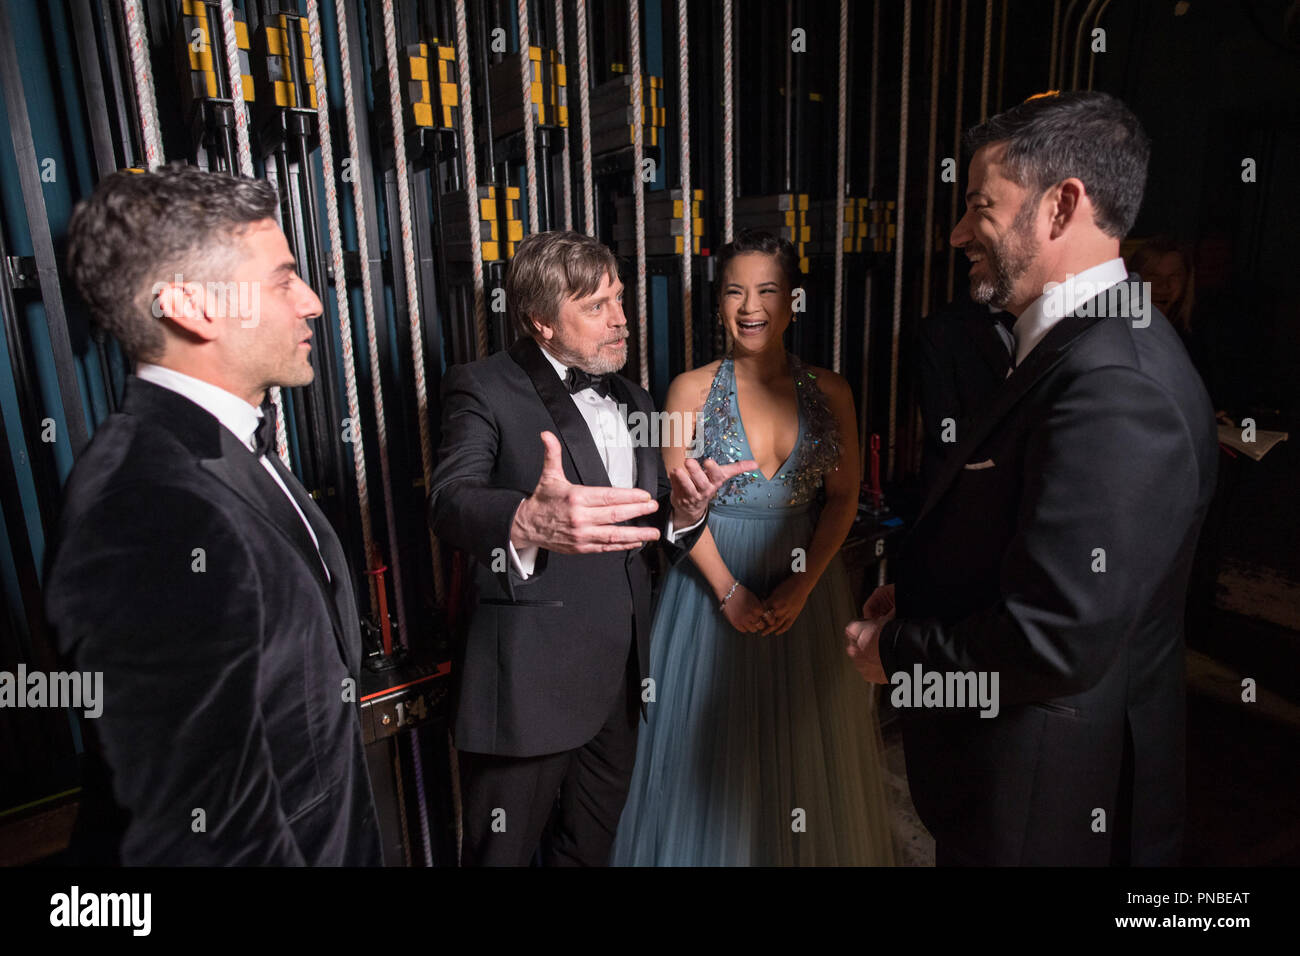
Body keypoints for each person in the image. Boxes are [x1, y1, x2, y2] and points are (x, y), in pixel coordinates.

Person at [846, 91, 1218, 865]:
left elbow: (1054, 636)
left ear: (1061, 206)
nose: (956, 234)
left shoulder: (1118, 380)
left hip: (1044, 804)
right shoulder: (1077, 343)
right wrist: (919, 595)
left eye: (980, 205)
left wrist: (899, 655)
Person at [46, 164, 383, 865]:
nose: (314, 303)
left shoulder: (217, 447)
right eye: (283, 279)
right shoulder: (144, 505)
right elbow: (207, 838)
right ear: (194, 307)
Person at [427, 230, 752, 866]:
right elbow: (449, 500)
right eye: (596, 306)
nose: (621, 319)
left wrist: (686, 511)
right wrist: (525, 519)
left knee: (589, 852)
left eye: (620, 299)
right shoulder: (482, 386)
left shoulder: (633, 397)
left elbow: (651, 520)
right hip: (526, 687)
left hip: (621, 682)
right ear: (541, 321)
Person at [612, 229, 896, 866]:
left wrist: (802, 585)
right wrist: (732, 593)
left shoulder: (833, 391)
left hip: (807, 590)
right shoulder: (687, 391)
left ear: (792, 301)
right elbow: (680, 515)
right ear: (719, 305)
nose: (750, 306)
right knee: (705, 763)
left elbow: (844, 498)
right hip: (708, 594)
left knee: (800, 755)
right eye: (735, 291)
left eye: (766, 290)